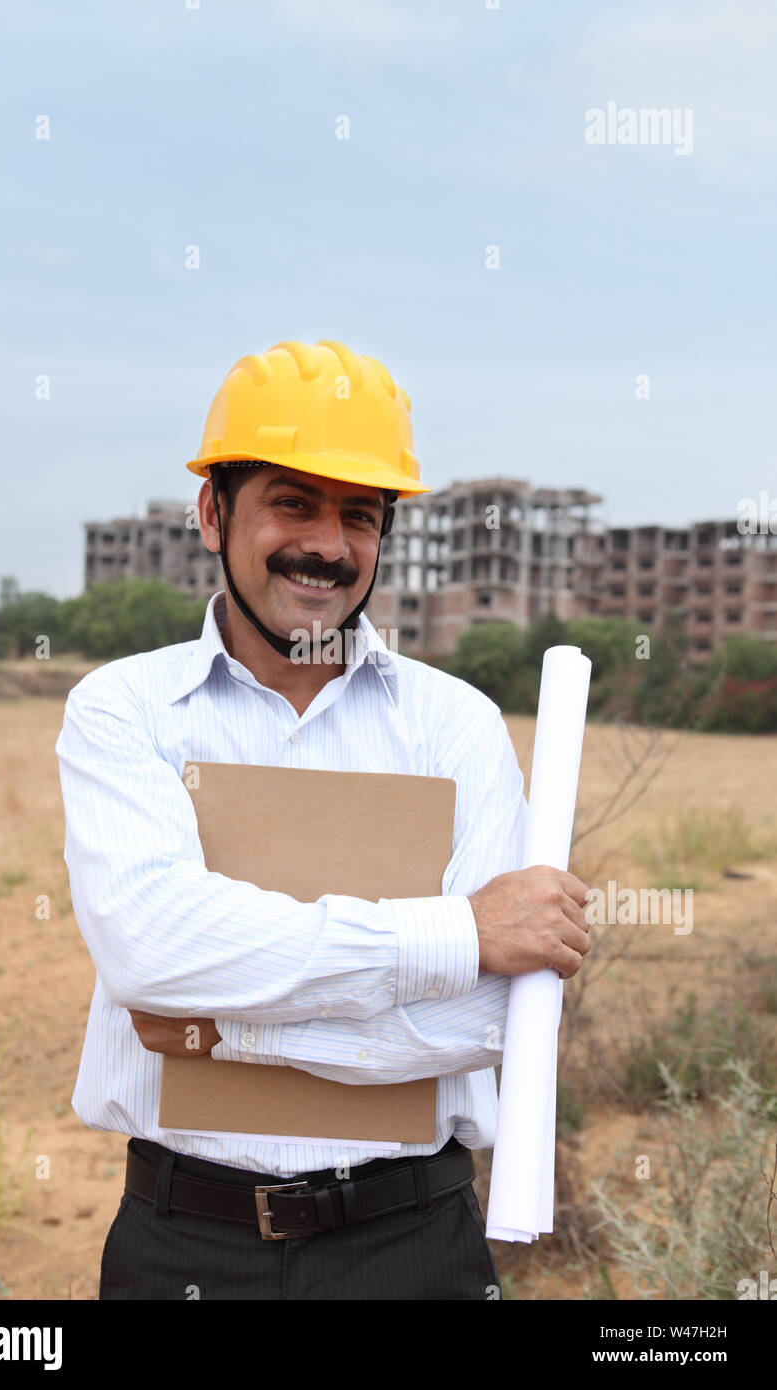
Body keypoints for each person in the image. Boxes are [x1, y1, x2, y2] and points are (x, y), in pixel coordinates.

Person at [55, 338, 591, 1301]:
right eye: (292, 502)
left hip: (409, 1242)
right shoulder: (121, 710)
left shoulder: (455, 726)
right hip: (184, 1246)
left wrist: (222, 1031)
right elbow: (151, 950)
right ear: (216, 512)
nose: (329, 546)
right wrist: (460, 932)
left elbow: (488, 1019)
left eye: (361, 514)